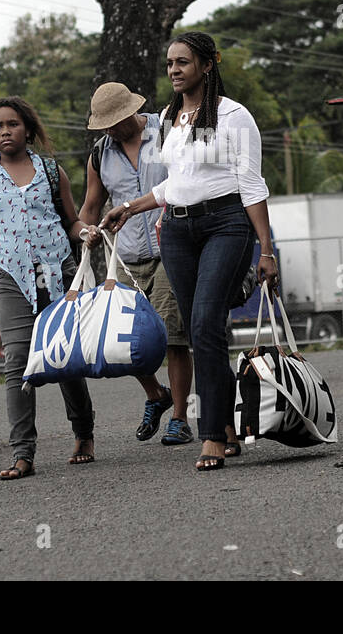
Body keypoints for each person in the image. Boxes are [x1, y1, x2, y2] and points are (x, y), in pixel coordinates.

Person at [101, 32, 277, 472]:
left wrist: (266, 250)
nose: (174, 70)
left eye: (182, 62)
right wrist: (129, 207)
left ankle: (213, 435)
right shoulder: (168, 117)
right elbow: (172, 184)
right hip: (177, 231)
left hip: (227, 223)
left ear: (206, 65)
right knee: (206, 331)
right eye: (169, 64)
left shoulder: (234, 116)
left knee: (201, 324)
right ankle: (230, 427)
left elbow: (251, 184)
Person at [0, 96, 96, 481]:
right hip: (10, 278)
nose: (5, 131)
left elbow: (71, 220)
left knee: (64, 359)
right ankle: (23, 453)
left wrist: (87, 232)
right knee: (18, 363)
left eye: (12, 124)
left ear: (26, 128)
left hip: (57, 273)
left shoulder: (50, 170)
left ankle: (83, 432)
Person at [79, 82, 195, 446]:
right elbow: (90, 207)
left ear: (132, 111)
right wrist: (87, 232)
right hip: (125, 258)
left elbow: (189, 180)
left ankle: (180, 416)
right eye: (105, 125)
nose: (111, 129)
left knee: (173, 336)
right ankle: (155, 395)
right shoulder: (100, 153)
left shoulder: (166, 131)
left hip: (170, 248)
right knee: (126, 342)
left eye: (116, 121)